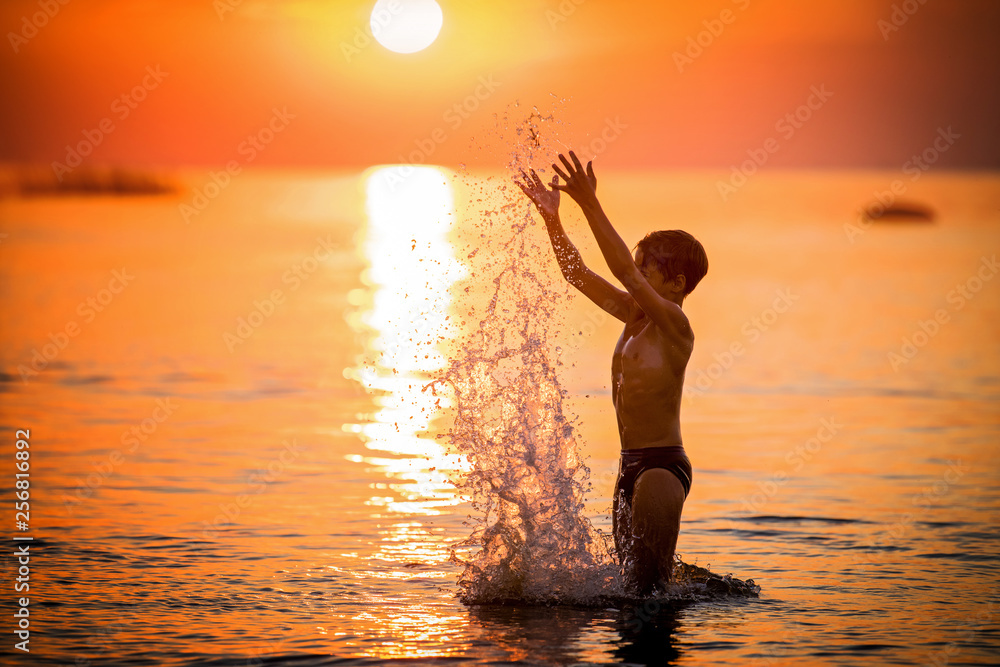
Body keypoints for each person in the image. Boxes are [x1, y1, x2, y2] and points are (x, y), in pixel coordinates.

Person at [515, 152, 708, 595]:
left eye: (646, 268)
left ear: (676, 283)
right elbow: (575, 273)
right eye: (637, 264)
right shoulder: (630, 315)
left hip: (660, 468)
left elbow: (621, 271)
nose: (633, 275)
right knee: (631, 590)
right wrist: (552, 220)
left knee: (651, 596)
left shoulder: (675, 327)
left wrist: (590, 204)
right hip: (629, 466)